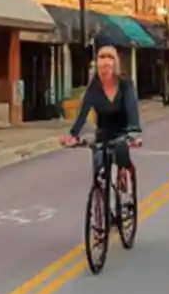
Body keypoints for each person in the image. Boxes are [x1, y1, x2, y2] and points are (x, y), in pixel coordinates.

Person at [60, 42, 142, 189]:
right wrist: (73, 135)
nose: (105, 62)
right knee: (99, 170)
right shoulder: (94, 87)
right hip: (103, 133)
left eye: (110, 58)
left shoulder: (125, 84)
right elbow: (83, 112)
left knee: (122, 155)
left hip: (123, 132)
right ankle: (100, 203)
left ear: (115, 63)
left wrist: (134, 131)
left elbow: (132, 108)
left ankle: (124, 180)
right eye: (101, 58)